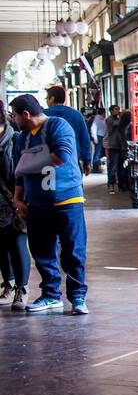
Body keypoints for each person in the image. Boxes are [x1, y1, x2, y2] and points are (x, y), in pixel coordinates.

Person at [8, 94, 87, 314]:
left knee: (73, 250)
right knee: (42, 250)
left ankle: (78, 297)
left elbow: (62, 155)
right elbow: (19, 172)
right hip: (37, 203)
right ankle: (51, 295)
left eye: (15, 116)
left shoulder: (58, 126)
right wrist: (18, 198)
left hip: (67, 199)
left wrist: (28, 163)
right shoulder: (22, 137)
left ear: (26, 114)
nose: (13, 120)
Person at [0, 99, 31, 310]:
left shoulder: (16, 140)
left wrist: (21, 201)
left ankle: (22, 288)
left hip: (14, 199)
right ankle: (8, 283)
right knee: (1, 246)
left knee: (17, 242)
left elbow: (21, 173)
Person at [44, 85, 93, 176]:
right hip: (72, 163)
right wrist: (87, 161)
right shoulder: (76, 115)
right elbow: (85, 140)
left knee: (49, 189)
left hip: (48, 164)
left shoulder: (43, 115)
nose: (46, 101)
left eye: (47, 98)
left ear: (52, 98)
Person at [104, 104, 129, 195]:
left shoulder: (118, 120)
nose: (118, 110)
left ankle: (121, 185)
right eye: (116, 109)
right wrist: (124, 115)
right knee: (113, 167)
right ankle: (111, 185)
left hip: (121, 146)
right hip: (113, 146)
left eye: (118, 109)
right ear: (111, 111)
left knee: (120, 167)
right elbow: (118, 125)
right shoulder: (110, 120)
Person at [89, 107, 107, 173]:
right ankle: (95, 168)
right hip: (99, 137)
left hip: (102, 137)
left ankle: (99, 166)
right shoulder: (97, 119)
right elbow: (93, 128)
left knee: (100, 153)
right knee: (98, 153)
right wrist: (95, 137)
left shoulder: (102, 119)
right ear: (103, 113)